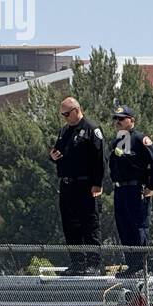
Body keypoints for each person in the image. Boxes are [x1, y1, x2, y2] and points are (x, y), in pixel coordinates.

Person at [50, 96, 104, 275]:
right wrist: (53, 156)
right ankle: (77, 262)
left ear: (76, 110)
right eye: (62, 114)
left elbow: (99, 158)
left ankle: (93, 263)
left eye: (66, 114)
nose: (64, 117)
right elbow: (57, 151)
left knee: (89, 224)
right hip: (67, 185)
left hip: (85, 185)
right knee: (70, 225)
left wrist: (97, 184)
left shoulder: (91, 129)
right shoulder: (64, 130)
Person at [108, 104, 153, 276]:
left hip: (136, 189)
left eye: (121, 119)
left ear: (132, 120)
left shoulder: (140, 139)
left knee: (138, 227)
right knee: (124, 226)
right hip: (121, 190)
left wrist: (151, 186)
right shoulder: (117, 141)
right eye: (116, 119)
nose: (118, 122)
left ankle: (141, 265)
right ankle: (132, 264)